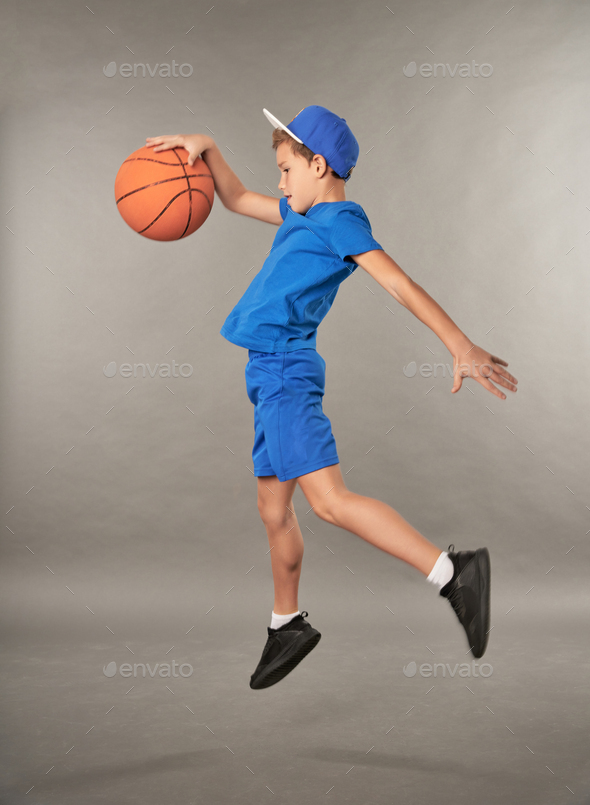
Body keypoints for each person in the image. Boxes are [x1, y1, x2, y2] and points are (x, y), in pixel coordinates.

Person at [145, 105, 518, 691]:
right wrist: (207, 147)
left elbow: (397, 282)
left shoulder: (339, 221)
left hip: (287, 373)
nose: (279, 181)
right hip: (266, 376)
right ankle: (286, 624)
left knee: (329, 502)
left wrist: (460, 344)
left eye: (285, 168)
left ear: (317, 165)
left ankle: (454, 573)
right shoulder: (301, 213)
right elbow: (238, 199)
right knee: (273, 509)